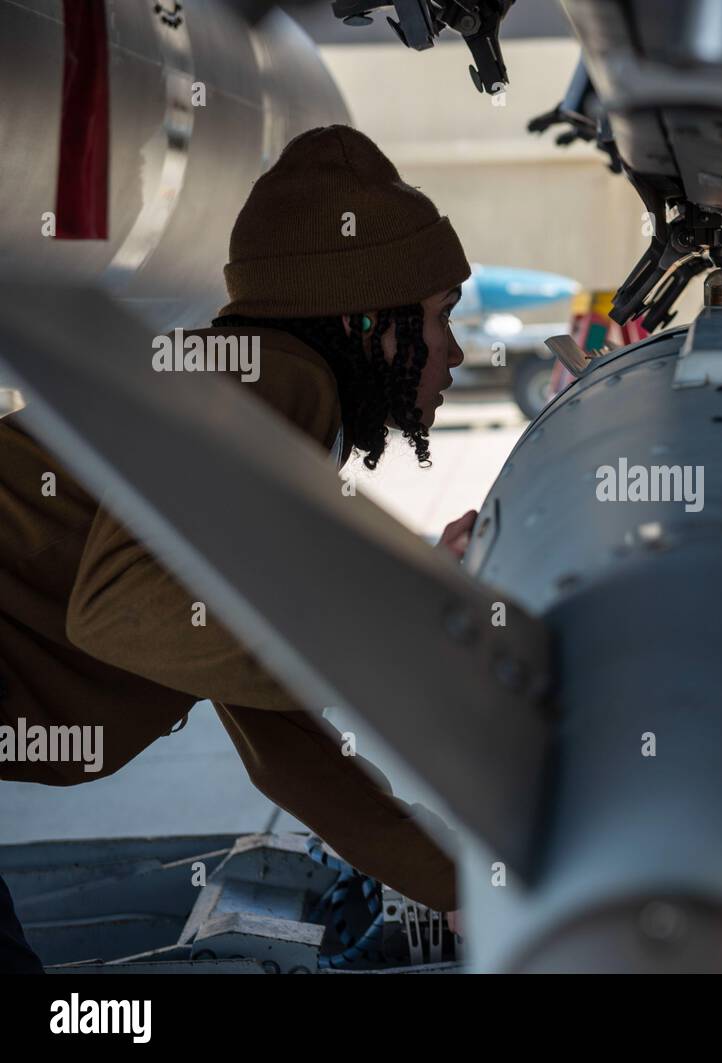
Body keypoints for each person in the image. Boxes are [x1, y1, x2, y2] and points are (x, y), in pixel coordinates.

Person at [0, 126, 477, 971]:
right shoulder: (270, 381)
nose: (456, 351)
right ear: (366, 319)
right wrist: (401, 604)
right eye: (440, 317)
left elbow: (281, 734)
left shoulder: (247, 391)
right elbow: (120, 609)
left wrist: (456, 884)